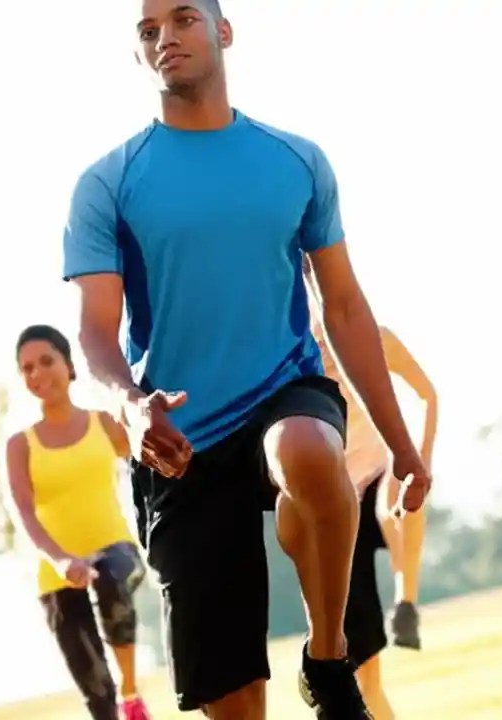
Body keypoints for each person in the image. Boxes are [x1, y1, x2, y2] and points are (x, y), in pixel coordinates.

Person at [61, 2, 431, 718]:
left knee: (307, 449)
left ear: (223, 31)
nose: (165, 37)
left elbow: (346, 309)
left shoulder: (296, 161)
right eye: (148, 31)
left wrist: (400, 441)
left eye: (183, 19)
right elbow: (96, 334)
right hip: (178, 439)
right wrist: (132, 405)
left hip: (282, 391)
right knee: (235, 705)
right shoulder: (107, 183)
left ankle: (328, 661)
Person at [304, 260, 439, 719]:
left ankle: (407, 603)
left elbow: (427, 395)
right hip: (336, 503)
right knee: (363, 677)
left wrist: (422, 456)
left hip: (385, 475)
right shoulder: (292, 364)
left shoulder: (373, 340)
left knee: (394, 504)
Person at [4, 325, 153, 720]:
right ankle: (115, 701)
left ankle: (131, 691)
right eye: (27, 368)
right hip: (58, 579)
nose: (37, 374)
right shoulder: (19, 445)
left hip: (117, 555)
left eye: (46, 361)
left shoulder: (104, 424)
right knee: (98, 702)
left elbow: (148, 468)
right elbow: (23, 511)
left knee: (107, 577)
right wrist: (60, 560)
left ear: (69, 365)